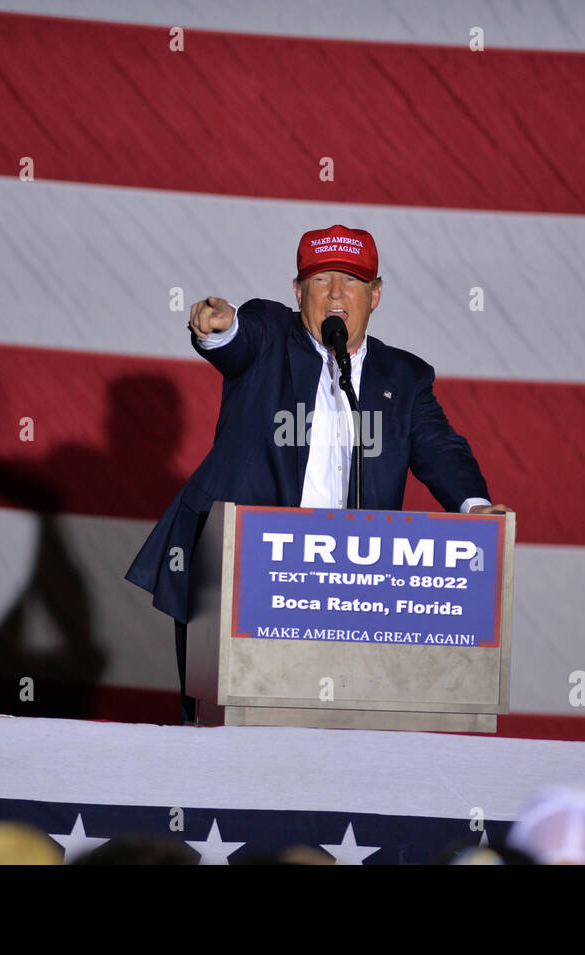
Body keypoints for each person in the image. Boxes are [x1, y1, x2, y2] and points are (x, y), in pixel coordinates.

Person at [125, 224, 510, 721]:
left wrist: (475, 508)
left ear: (375, 295)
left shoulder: (404, 378)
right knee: (228, 740)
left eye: (350, 280)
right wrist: (218, 327)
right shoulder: (267, 335)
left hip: (349, 591)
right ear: (297, 291)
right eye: (321, 279)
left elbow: (439, 448)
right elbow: (236, 337)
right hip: (246, 579)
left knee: (335, 739)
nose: (334, 294)